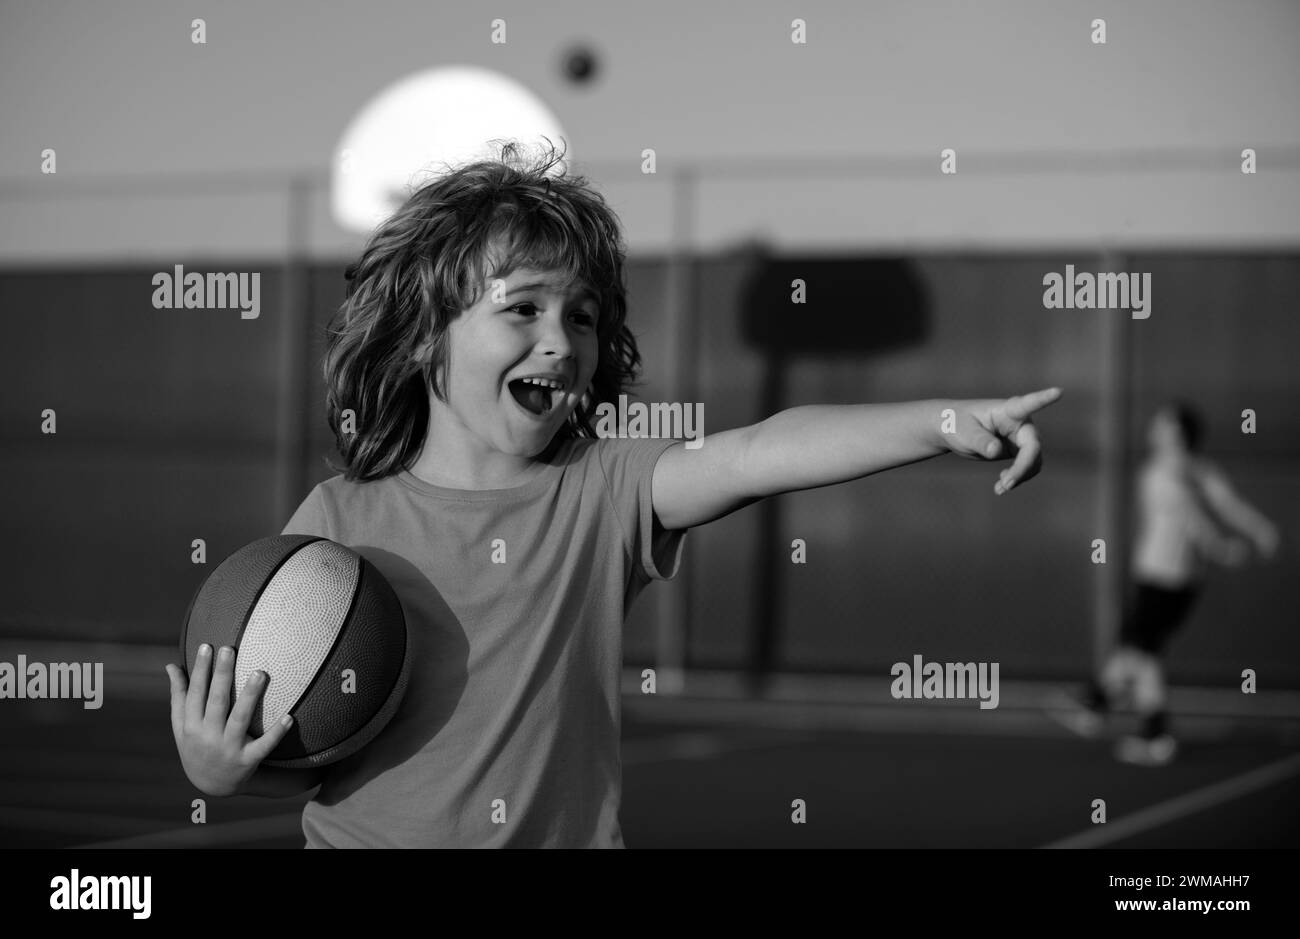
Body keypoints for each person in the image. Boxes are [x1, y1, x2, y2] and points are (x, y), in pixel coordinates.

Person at [164, 140, 1062, 847]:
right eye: (522, 308)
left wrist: (941, 420)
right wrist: (216, 768)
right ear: (426, 336)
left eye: (582, 316)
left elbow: (761, 451)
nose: (561, 339)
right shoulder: (335, 527)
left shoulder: (603, 489)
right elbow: (294, 735)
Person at [1061, 402, 1279, 766]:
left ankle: (1123, 717)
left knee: (1140, 652)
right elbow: (1211, 513)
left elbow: (1204, 514)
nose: (1153, 427)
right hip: (1177, 580)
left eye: (1161, 423)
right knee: (1142, 651)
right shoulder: (1185, 471)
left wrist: (1246, 535)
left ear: (1176, 432)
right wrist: (1243, 538)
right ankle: (1109, 710)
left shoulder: (1166, 474)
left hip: (1162, 578)